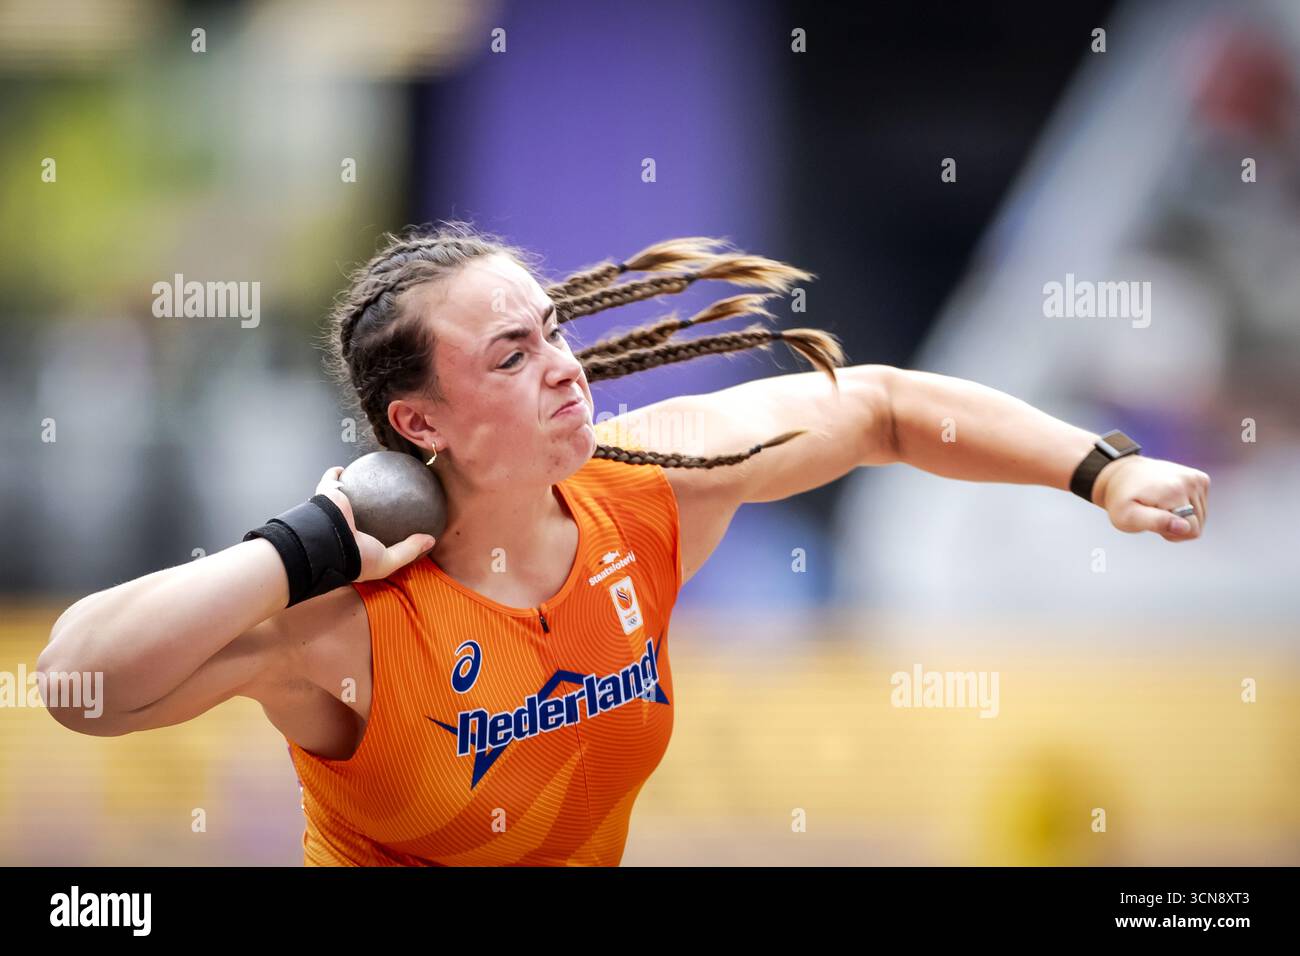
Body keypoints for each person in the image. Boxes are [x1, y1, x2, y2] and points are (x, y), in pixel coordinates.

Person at [38, 221, 1210, 865]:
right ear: (419, 422)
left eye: (550, 330)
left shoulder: (657, 483)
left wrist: (1103, 470)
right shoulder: (342, 620)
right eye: (508, 354)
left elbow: (885, 407)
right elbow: (79, 685)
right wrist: (306, 543)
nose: (561, 364)